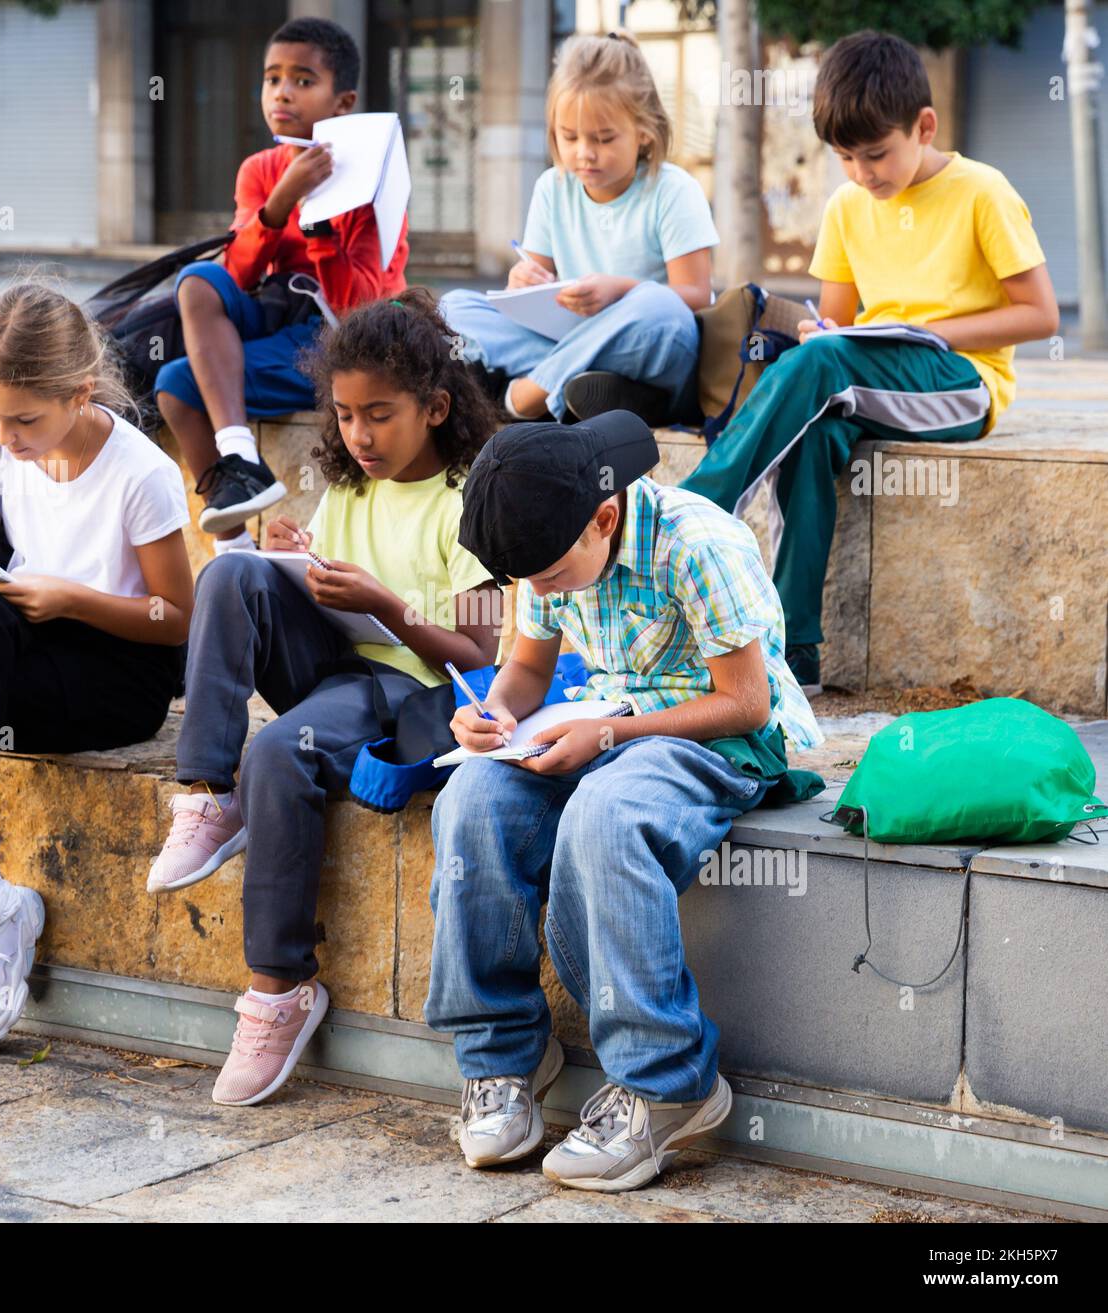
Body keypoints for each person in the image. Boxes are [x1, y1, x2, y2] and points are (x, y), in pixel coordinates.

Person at [425, 409, 822, 1191]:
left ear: (603, 517)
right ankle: (500, 1056)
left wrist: (610, 734)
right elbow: (528, 672)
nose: (537, 592)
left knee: (605, 814)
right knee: (471, 796)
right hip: (604, 722)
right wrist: (496, 713)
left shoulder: (695, 545)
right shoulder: (547, 545)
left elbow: (745, 703)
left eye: (547, 576)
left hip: (714, 734)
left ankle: (668, 1084)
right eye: (525, 581)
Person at [147, 290, 504, 1108]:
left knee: (278, 751)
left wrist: (381, 601)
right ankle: (204, 793)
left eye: (379, 414)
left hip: (413, 694)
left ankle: (279, 990)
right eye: (344, 416)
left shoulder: (471, 502)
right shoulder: (351, 484)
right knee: (232, 569)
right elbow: (328, 595)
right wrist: (301, 561)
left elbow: (480, 655)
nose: (360, 436)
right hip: (340, 673)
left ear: (436, 406)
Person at [681, 30, 1058, 694]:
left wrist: (927, 330)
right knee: (813, 429)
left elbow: (1040, 315)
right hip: (869, 377)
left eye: (877, 154)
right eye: (845, 157)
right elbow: (839, 330)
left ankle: (697, 509)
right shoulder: (847, 206)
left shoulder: (982, 192)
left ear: (925, 126)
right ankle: (795, 651)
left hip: (963, 382)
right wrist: (828, 334)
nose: (862, 173)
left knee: (825, 370)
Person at [0, 281, 193, 1058]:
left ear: (80, 392)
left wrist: (74, 600)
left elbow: (178, 621)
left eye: (25, 418)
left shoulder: (139, 473)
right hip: (25, 650)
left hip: (116, 677)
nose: (6, 436)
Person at [154, 16, 409, 547]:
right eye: (272, 78)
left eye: (303, 80)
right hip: (271, 311)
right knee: (198, 281)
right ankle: (240, 467)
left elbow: (357, 304)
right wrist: (280, 202)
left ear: (343, 102)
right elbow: (239, 273)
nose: (282, 93)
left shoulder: (373, 176)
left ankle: (234, 542)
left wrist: (314, 220)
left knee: (178, 386)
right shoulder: (261, 170)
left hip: (337, 336)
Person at [439, 29, 716, 427]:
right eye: (569, 137)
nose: (584, 153)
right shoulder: (553, 187)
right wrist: (524, 281)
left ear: (643, 132)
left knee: (660, 309)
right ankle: (598, 389)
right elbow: (532, 287)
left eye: (603, 139)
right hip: (567, 342)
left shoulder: (672, 190)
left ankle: (528, 394)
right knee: (454, 308)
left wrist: (617, 291)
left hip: (646, 348)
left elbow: (696, 295)